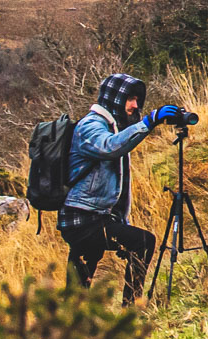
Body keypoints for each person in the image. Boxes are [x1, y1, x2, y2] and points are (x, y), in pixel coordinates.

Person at [59, 72, 184, 302]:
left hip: (94, 218)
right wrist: (149, 121)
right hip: (82, 219)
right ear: (114, 98)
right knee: (143, 242)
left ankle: (65, 329)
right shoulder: (91, 126)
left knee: (78, 285)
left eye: (137, 99)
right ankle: (131, 309)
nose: (135, 105)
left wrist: (120, 223)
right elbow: (111, 147)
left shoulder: (112, 126)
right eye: (130, 99)